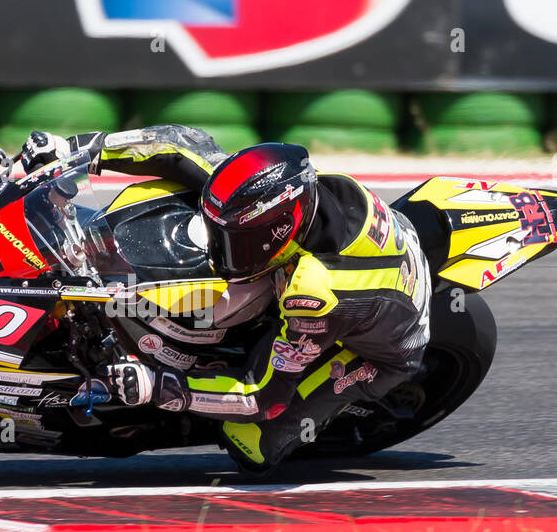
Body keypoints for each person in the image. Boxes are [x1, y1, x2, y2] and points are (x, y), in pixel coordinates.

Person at [21, 125, 431, 473]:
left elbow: (262, 396)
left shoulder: (313, 293)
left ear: (279, 231)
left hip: (386, 346)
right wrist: (75, 150)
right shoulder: (285, 190)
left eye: (234, 242)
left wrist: (161, 387)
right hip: (356, 270)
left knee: (250, 443)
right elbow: (177, 145)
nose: (219, 249)